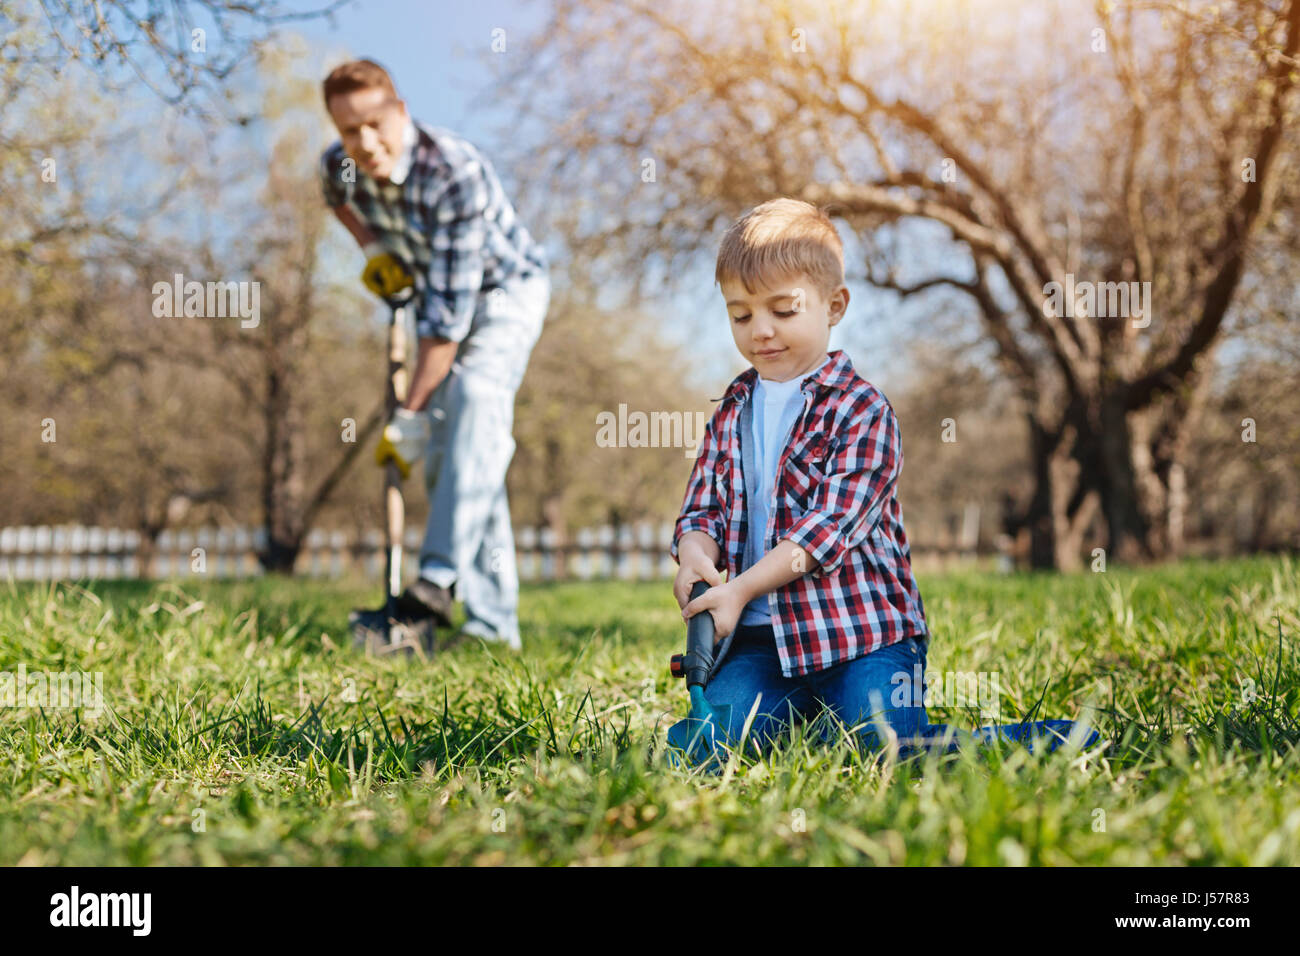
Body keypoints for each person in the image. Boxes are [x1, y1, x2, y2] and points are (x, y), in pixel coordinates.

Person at [670, 198, 1098, 760]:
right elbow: (703, 507)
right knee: (711, 742)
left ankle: (1056, 740)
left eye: (784, 309)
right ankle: (804, 720)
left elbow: (823, 534)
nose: (762, 331)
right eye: (741, 315)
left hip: (864, 639)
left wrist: (742, 587)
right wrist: (694, 555)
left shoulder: (862, 409)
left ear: (834, 305)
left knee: (883, 742)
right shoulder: (732, 409)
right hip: (761, 644)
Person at [319, 59, 549, 651]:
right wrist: (373, 249)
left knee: (472, 398)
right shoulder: (340, 164)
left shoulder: (452, 172)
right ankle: (492, 628)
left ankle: (436, 580)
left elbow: (445, 330)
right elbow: (335, 195)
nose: (364, 143)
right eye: (349, 130)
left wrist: (411, 415)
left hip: (505, 292)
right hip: (439, 299)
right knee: (471, 447)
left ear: (400, 110)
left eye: (375, 123)